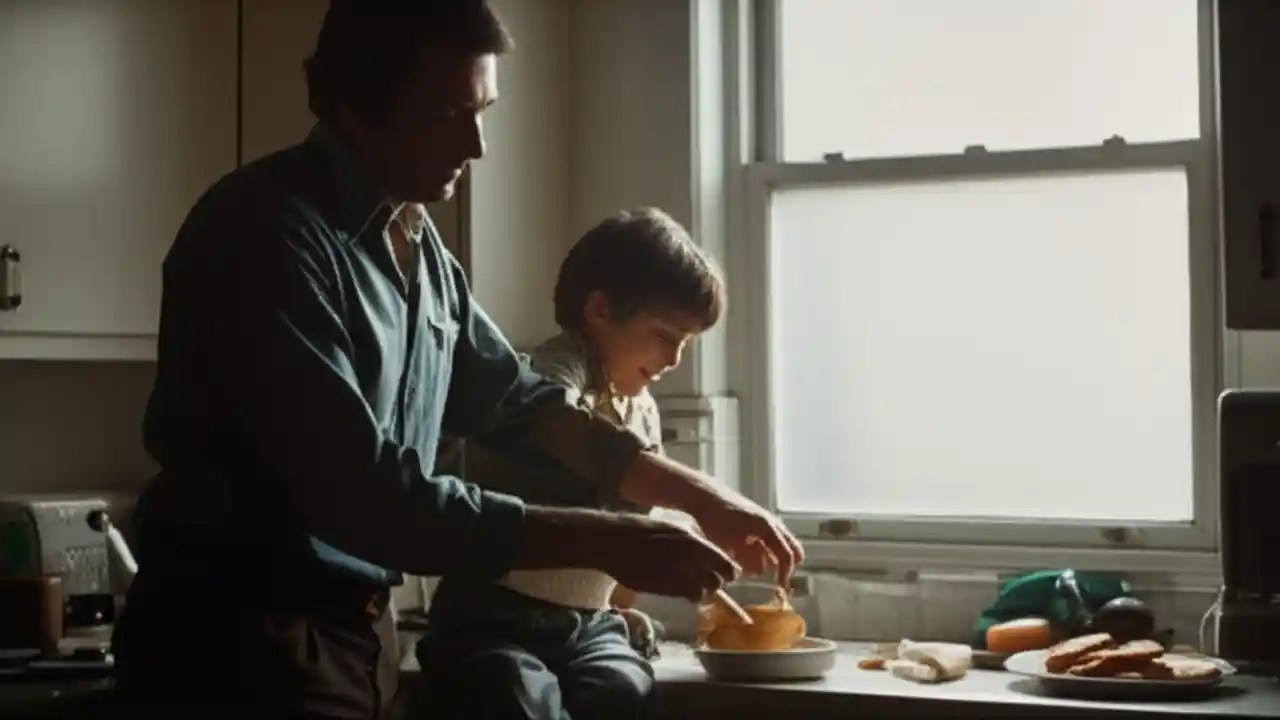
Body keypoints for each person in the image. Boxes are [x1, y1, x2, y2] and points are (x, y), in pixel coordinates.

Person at [109, 2, 803, 718]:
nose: (476, 145)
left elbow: (524, 405)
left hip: (351, 631)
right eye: (447, 114)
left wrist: (699, 497)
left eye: (483, 111)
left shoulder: (422, 251)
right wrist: (612, 536)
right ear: (355, 102)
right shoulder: (265, 233)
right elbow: (368, 493)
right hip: (238, 637)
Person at [417, 208, 726, 719]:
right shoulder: (559, 365)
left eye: (686, 344)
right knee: (515, 694)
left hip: (588, 622)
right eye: (665, 335)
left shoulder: (644, 410)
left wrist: (624, 611)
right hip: (493, 615)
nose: (674, 360)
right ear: (600, 310)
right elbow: (557, 407)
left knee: (625, 690)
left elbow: (635, 530)